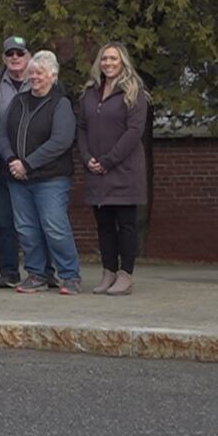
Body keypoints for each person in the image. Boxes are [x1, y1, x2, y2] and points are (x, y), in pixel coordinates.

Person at [5, 51, 82, 293]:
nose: (34, 77)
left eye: (40, 73)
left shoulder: (61, 104)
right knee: (26, 229)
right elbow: (1, 133)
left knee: (55, 226)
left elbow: (61, 140)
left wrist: (27, 163)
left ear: (53, 76)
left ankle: (70, 276)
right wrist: (11, 159)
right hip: (18, 179)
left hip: (51, 178)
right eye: (32, 72)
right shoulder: (18, 101)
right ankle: (37, 274)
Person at [79, 42, 149, 295]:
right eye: (104, 59)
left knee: (126, 224)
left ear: (123, 63)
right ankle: (108, 270)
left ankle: (125, 273)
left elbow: (133, 133)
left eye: (113, 59)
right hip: (97, 172)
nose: (108, 63)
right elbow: (83, 128)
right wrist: (88, 158)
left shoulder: (134, 92)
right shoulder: (90, 92)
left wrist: (108, 160)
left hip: (124, 171)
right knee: (104, 225)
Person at [0, 38, 35, 288]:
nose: (15, 57)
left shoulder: (41, 78)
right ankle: (9, 271)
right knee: (4, 219)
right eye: (10, 54)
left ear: (29, 55)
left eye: (20, 53)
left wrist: (27, 159)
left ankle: (42, 271)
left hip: (33, 161)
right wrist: (7, 155)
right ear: (4, 58)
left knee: (37, 218)